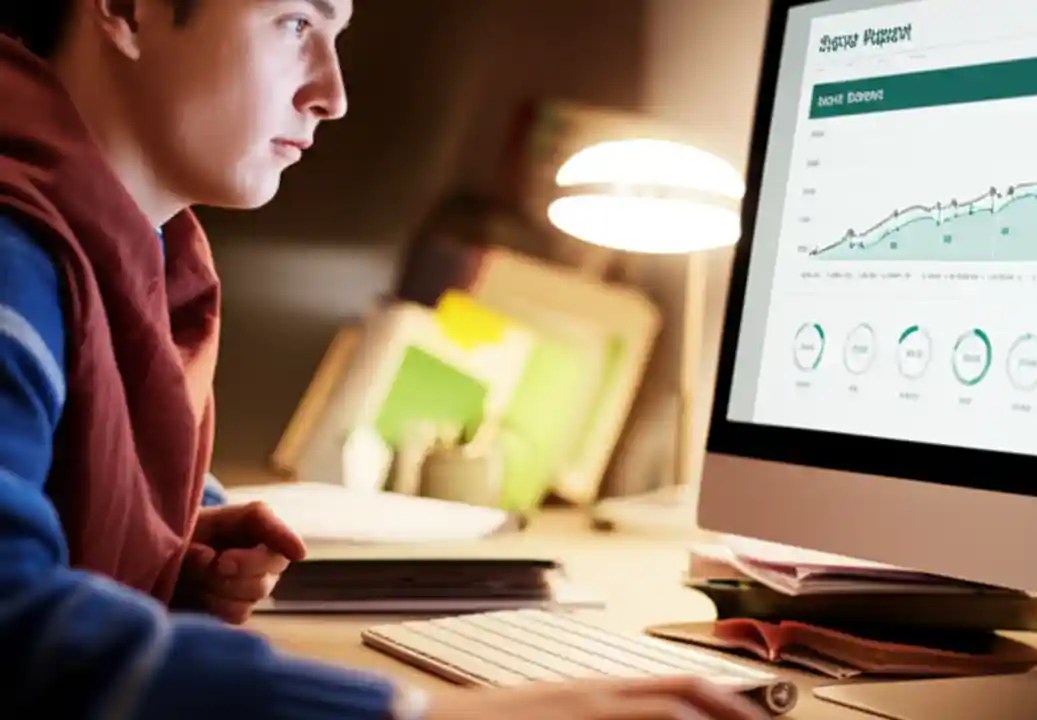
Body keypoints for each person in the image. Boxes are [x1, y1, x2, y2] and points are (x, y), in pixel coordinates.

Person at [0, 2, 768, 719]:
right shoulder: (13, 256)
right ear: (129, 10)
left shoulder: (139, 255)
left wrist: (169, 545)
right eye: (295, 23)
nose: (332, 94)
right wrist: (425, 714)